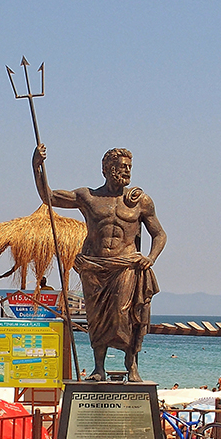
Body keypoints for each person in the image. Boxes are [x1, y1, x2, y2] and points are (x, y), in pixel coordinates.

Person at [33, 143, 166, 382]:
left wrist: (150, 257)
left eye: (129, 167)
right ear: (107, 169)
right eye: (122, 166)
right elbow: (49, 197)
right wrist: (37, 166)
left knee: (125, 315)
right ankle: (98, 368)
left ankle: (131, 365)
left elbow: (159, 234)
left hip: (125, 265)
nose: (127, 171)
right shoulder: (89, 197)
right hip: (94, 266)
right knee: (96, 318)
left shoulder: (140, 201)